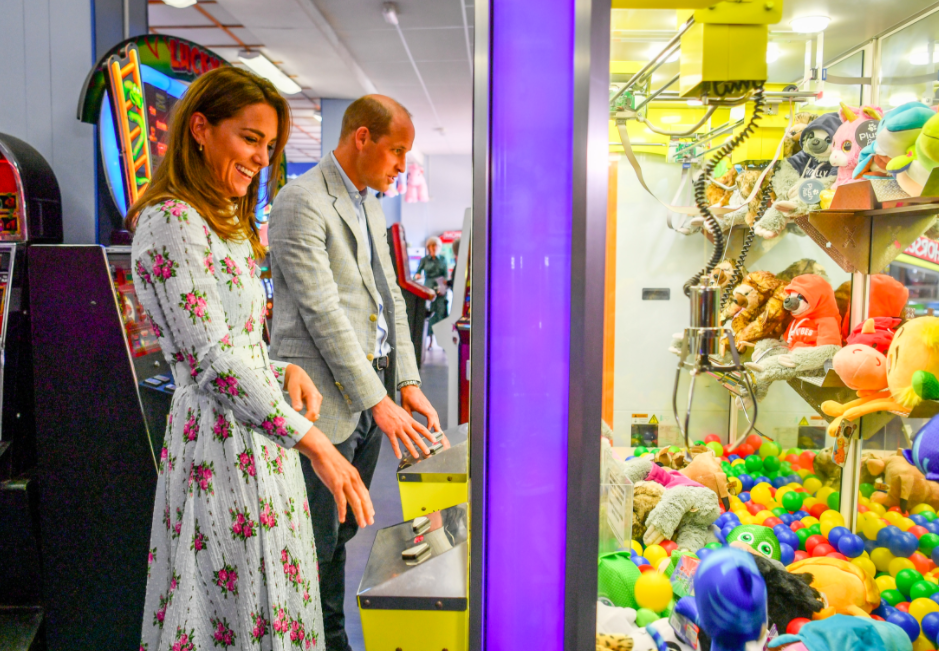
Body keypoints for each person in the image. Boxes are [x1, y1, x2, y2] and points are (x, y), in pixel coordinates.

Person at [128, 67, 374, 650]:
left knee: (271, 604)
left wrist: (280, 367)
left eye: (269, 145)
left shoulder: (226, 223)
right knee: (224, 612)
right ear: (200, 129)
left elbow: (236, 340)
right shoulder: (170, 221)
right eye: (249, 138)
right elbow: (211, 359)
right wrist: (314, 442)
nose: (261, 157)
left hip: (261, 441)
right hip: (219, 446)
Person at [267, 95, 442, 651]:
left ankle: (330, 637)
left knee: (341, 539)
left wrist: (407, 381)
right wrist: (377, 400)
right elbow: (322, 313)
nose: (400, 166)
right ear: (361, 138)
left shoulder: (366, 204)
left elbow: (388, 296)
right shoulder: (300, 202)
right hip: (322, 407)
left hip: (367, 401)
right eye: (395, 151)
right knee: (310, 546)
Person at [414, 236, 450, 349]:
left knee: (441, 314)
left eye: (436, 246)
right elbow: (417, 272)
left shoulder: (443, 259)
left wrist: (442, 287)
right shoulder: (424, 260)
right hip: (428, 289)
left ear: (439, 247)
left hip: (440, 289)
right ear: (428, 247)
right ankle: (429, 341)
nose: (434, 248)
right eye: (431, 246)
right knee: (428, 315)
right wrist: (418, 275)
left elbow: (445, 275)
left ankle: (443, 341)